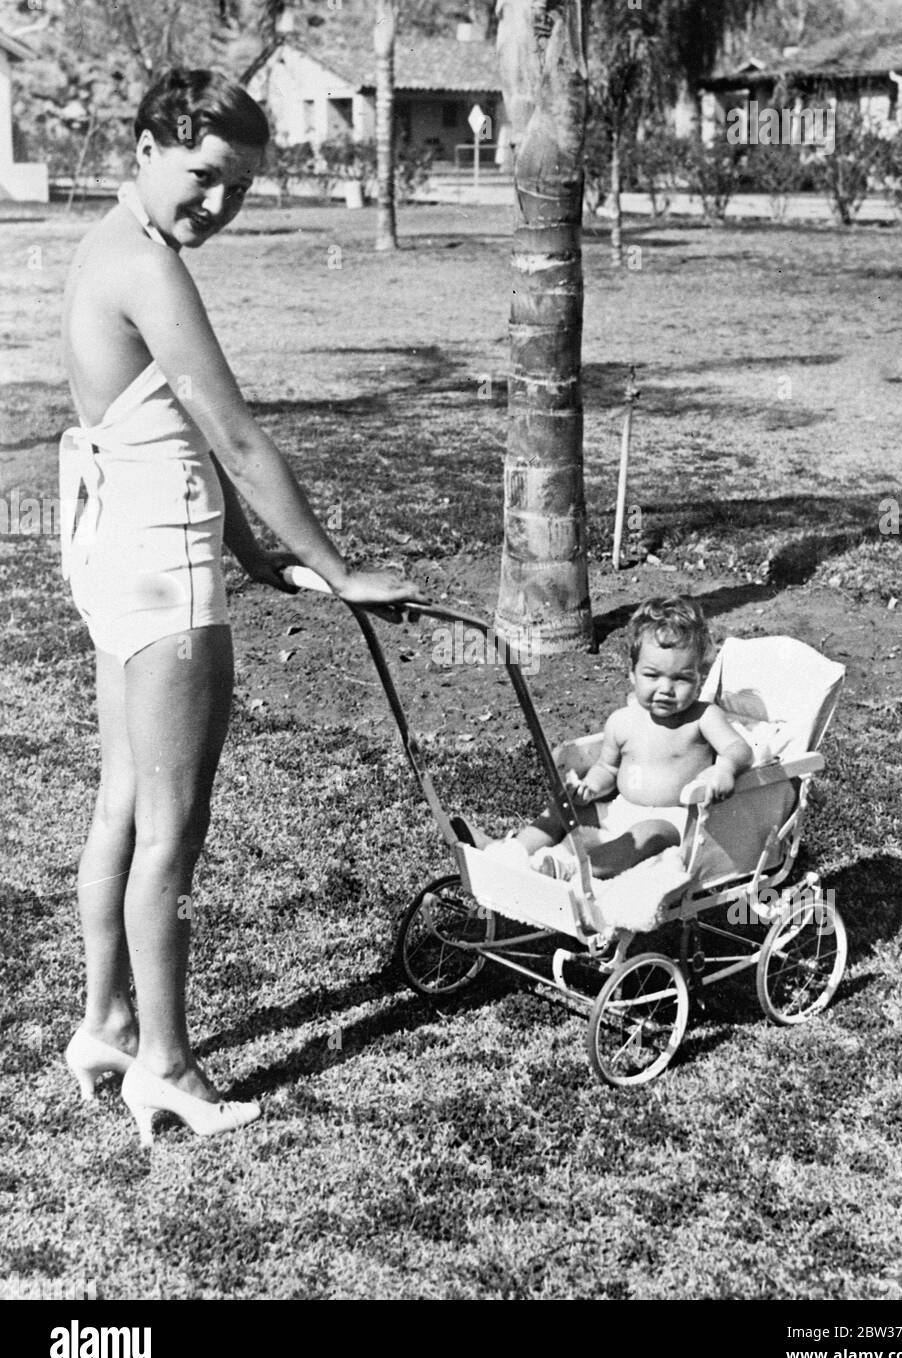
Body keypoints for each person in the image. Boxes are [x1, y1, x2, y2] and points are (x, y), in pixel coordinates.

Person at [60, 68, 420, 1146]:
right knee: (171, 830)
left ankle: (106, 1022)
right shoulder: (148, 268)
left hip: (123, 559)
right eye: (206, 178)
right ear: (146, 145)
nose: (218, 206)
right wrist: (337, 567)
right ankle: (166, 1066)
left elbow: (149, 432)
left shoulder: (105, 248)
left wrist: (258, 558)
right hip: (162, 582)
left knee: (124, 805)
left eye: (240, 191)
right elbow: (236, 440)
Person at [489, 596, 752, 880]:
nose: (666, 688)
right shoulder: (622, 721)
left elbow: (739, 748)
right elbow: (608, 769)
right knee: (563, 811)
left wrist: (724, 768)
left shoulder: (702, 717)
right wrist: (591, 787)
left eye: (681, 679)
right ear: (632, 674)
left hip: (672, 820)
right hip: (620, 809)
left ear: (700, 678)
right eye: (652, 675)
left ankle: (570, 868)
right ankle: (511, 852)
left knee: (646, 835)